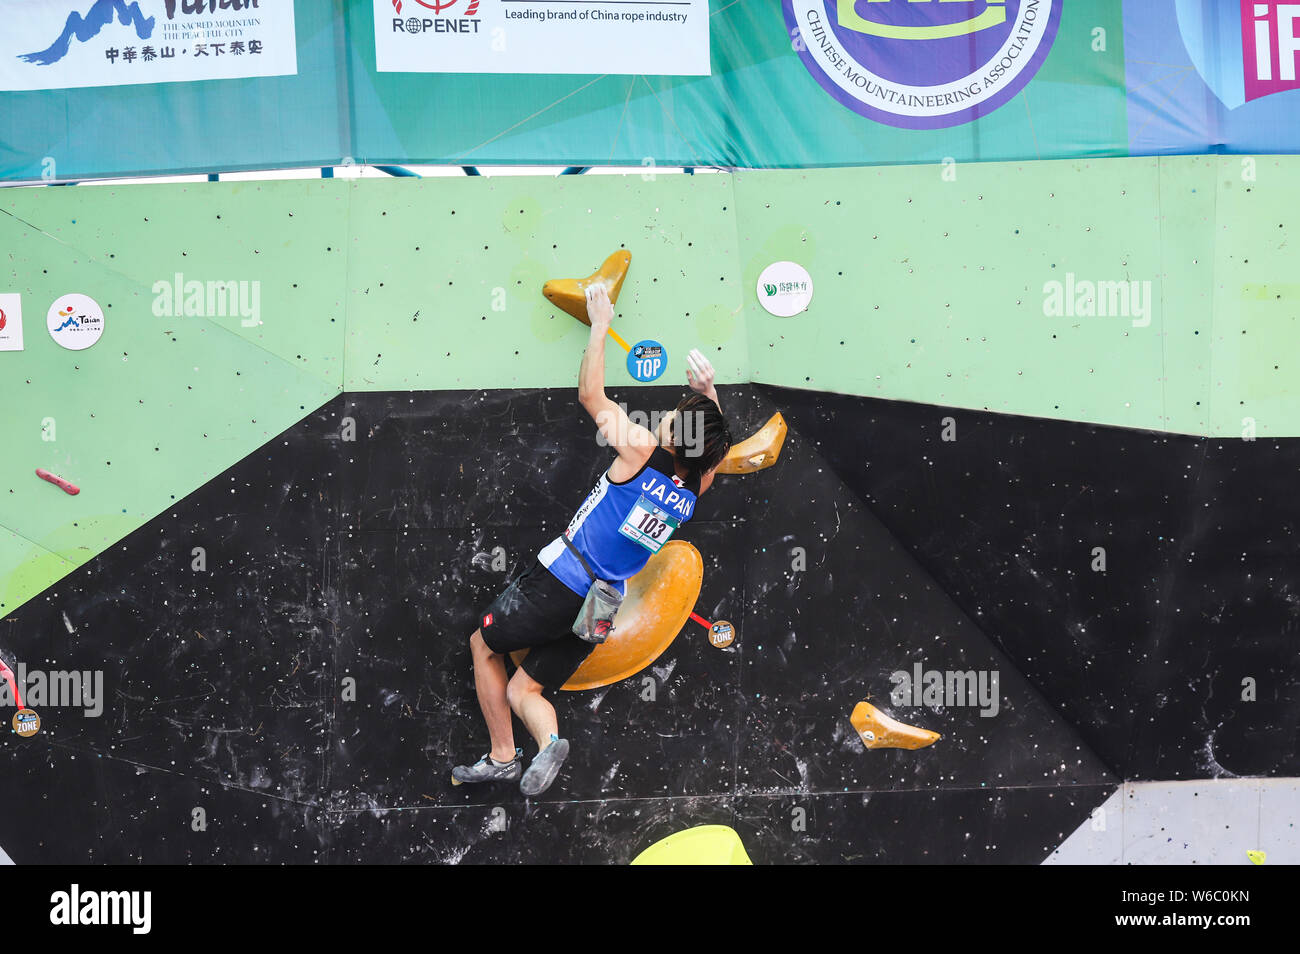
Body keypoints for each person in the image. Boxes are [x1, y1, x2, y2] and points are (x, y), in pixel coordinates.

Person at [453, 284, 733, 796]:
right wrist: (709, 395)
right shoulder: (695, 487)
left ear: (675, 433)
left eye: (676, 412)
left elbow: (591, 396)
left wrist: (600, 322)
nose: (667, 412)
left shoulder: (643, 451)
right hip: (604, 605)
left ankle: (500, 755)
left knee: (482, 645)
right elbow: (711, 456)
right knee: (526, 687)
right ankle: (547, 742)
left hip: (563, 581)